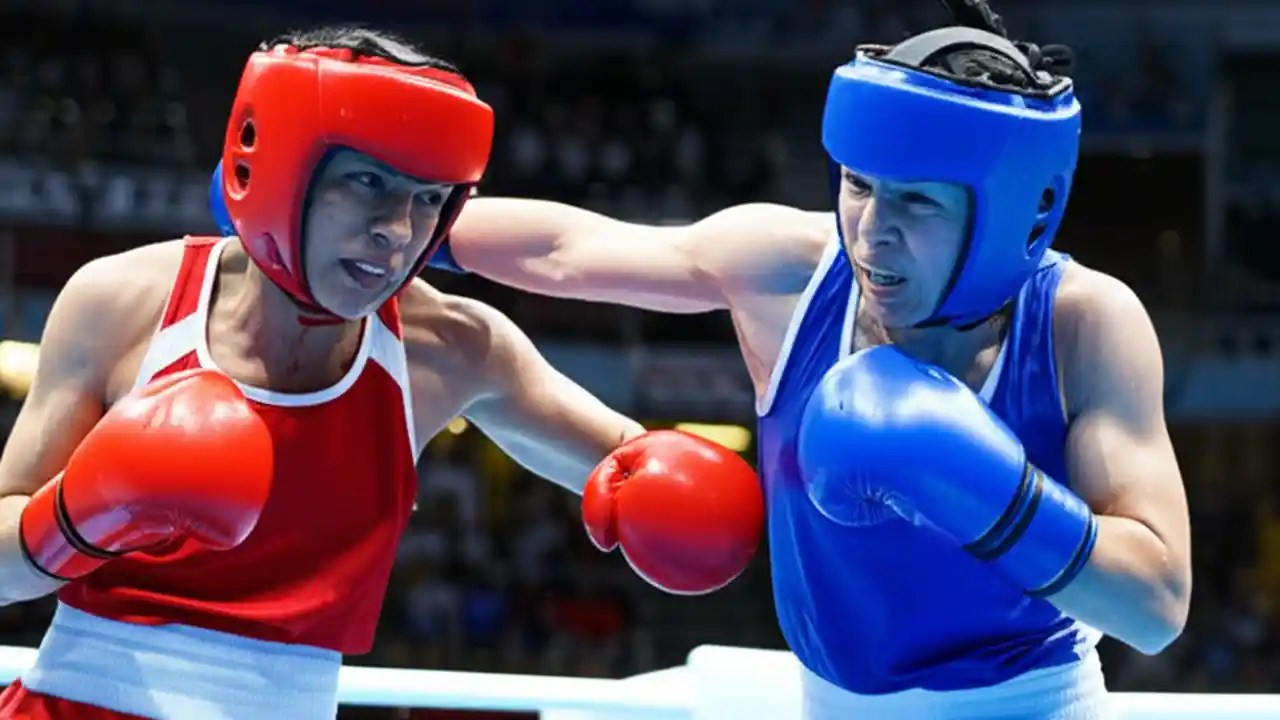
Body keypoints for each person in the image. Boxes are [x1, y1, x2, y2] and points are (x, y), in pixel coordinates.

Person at [429, 18, 1194, 720]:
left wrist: (986, 492)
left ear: (1011, 210)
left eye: (918, 202)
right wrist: (408, 227)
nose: (872, 231)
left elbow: (1157, 606)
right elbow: (568, 249)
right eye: (859, 184)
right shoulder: (790, 274)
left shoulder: (1083, 324)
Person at [0, 27, 764, 720]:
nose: (396, 234)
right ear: (277, 167)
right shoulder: (124, 302)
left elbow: (641, 470)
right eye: (367, 183)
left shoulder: (450, 347)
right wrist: (76, 517)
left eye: (429, 199)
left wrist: (686, 500)